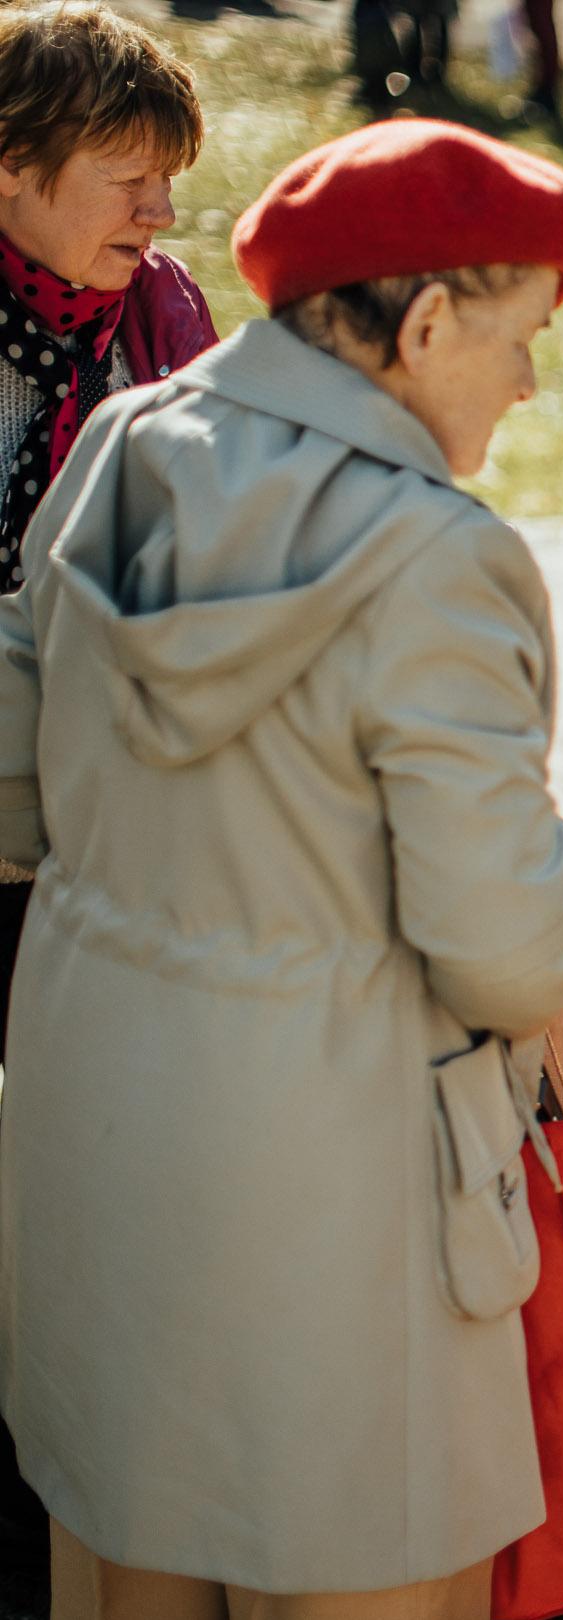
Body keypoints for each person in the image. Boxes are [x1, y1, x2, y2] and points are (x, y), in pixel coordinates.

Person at [0, 117, 563, 1620]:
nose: (528, 384)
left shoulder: (124, 447)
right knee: (362, 1610)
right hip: (347, 1202)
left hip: (99, 1149)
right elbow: (514, 957)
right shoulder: (439, 554)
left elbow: (11, 786)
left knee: (126, 1612)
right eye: (523, 337)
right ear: (421, 326)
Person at [0, 1, 215, 1051]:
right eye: (128, 176)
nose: (160, 210)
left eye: (169, 178)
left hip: (102, 829)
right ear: (9, 161)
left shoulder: (163, 320)